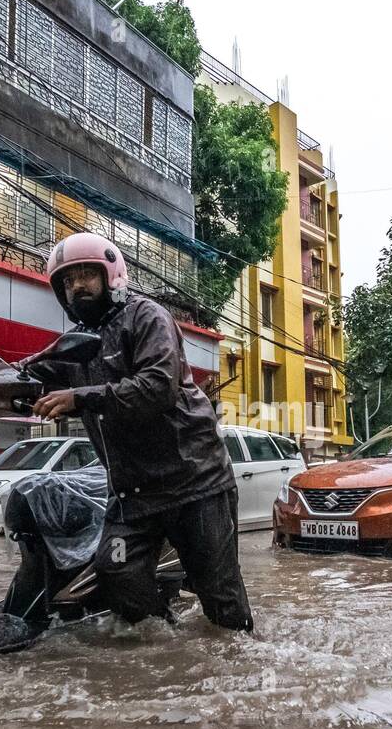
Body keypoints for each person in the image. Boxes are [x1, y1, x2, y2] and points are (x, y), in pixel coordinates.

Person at [27, 232, 254, 633]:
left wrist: (81, 397)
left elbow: (157, 387)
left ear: (111, 275)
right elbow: (29, 375)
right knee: (115, 571)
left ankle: (236, 662)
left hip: (194, 482)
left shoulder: (146, 317)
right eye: (67, 280)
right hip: (133, 497)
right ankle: (167, 643)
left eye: (85, 275)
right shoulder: (75, 344)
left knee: (218, 592)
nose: (76, 286)